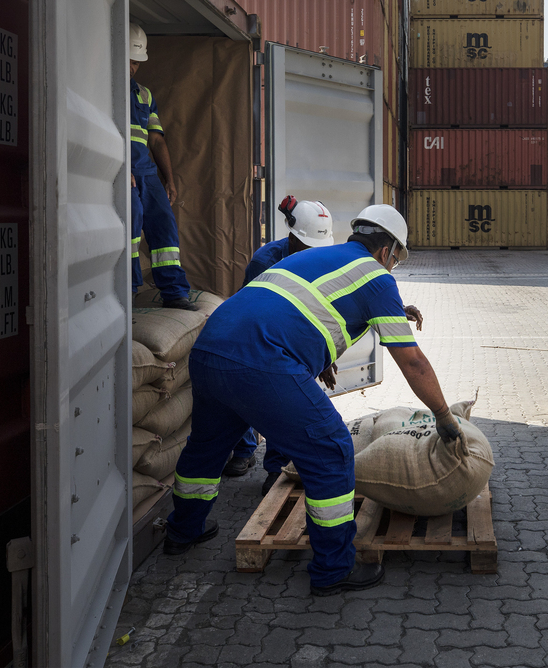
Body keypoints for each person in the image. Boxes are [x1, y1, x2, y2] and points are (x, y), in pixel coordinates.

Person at [162, 204, 457, 597]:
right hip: (260, 361)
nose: (392, 267)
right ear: (387, 251)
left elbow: (300, 307)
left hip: (210, 349)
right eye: (396, 259)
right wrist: (443, 414)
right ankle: (334, 568)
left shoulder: (315, 258)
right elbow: (413, 362)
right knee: (330, 448)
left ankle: (183, 531)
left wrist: (328, 348)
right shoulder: (376, 276)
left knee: (206, 447)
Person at [220, 197, 335, 487]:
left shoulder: (320, 257)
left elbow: (324, 309)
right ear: (293, 238)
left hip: (295, 335)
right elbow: (254, 313)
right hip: (257, 332)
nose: (314, 254)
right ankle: (245, 449)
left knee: (286, 401)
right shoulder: (265, 263)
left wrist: (324, 357)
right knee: (251, 392)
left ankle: (277, 467)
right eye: (308, 247)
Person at [128, 23, 197, 312]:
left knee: (165, 228)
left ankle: (175, 293)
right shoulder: (103, 88)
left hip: (146, 174)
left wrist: (169, 179)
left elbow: (156, 140)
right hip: (123, 174)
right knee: (131, 230)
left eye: (136, 62)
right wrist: (120, 168)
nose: (132, 68)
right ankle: (129, 292)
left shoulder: (145, 95)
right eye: (129, 60)